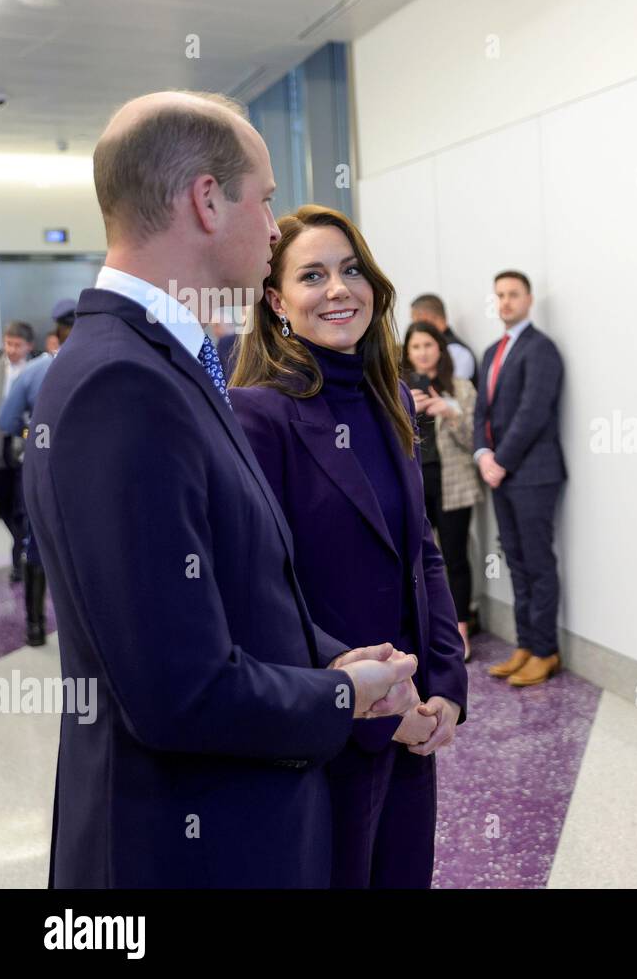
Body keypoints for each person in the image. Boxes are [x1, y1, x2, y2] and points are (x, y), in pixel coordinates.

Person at [22, 90, 419, 888]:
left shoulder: (165, 363)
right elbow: (180, 691)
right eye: (265, 199)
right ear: (208, 199)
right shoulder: (120, 384)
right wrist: (340, 695)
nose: (275, 228)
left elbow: (237, 592)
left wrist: (331, 654)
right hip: (183, 848)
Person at [230, 204, 468, 888]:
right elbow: (262, 589)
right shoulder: (258, 413)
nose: (338, 289)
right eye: (312, 275)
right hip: (326, 727)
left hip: (413, 722)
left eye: (351, 269)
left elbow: (421, 548)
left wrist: (445, 688)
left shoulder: (387, 393)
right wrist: (369, 700)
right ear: (277, 300)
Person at [474, 270, 567, 687]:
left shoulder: (541, 350)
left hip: (534, 474)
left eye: (513, 294)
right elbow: (482, 411)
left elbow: (533, 413)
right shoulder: (493, 351)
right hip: (502, 473)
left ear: (529, 300)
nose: (505, 302)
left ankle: (546, 652)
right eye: (500, 295)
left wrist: (501, 461)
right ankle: (526, 645)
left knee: (537, 563)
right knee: (515, 561)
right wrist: (482, 454)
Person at [0, 303, 79, 646]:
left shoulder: (36, 372)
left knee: (35, 545)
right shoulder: (108, 363)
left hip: (43, 470)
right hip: (89, 477)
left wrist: (31, 434)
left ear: (55, 331)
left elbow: (6, 421)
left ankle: (34, 627)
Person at [403, 320, 482, 662]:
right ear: (407, 352)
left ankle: (461, 630)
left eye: (429, 345)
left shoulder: (462, 387)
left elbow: (474, 440)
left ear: (440, 349)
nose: (423, 353)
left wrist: (449, 412)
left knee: (455, 558)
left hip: (454, 485)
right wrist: (409, 411)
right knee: (417, 560)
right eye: (416, 347)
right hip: (413, 485)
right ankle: (425, 629)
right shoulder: (398, 389)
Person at [0, 321, 34, 581]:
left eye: (17, 345)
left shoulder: (35, 372)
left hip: (22, 446)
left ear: (29, 346)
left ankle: (21, 556)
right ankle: (21, 544)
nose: (12, 349)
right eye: (9, 343)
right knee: (5, 506)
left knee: (21, 507)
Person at [412, 293, 478, 388]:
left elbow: (455, 395)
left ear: (425, 318)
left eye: (415, 322)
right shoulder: (452, 349)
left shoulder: (456, 352)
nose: (422, 353)